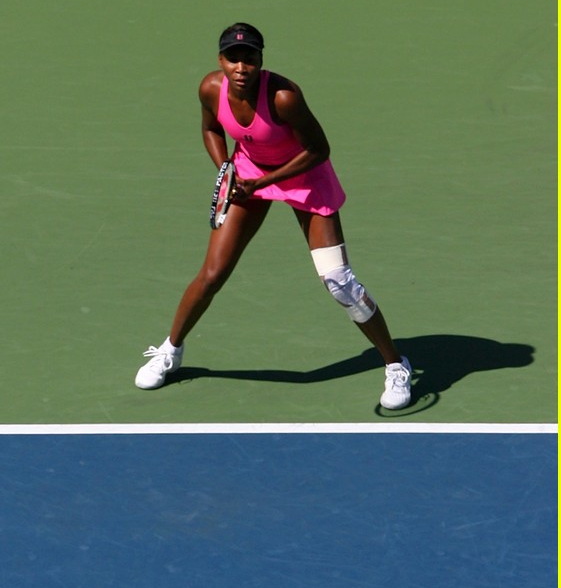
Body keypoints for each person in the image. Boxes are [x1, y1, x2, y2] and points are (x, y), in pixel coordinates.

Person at [134, 23, 414, 410]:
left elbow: (319, 149)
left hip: (306, 179)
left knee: (339, 282)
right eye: (233, 58)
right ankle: (171, 350)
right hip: (248, 175)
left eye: (250, 57)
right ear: (221, 60)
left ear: (261, 60)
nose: (241, 66)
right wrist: (226, 171)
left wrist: (265, 181)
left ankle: (396, 363)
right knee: (213, 273)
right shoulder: (210, 89)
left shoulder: (284, 97)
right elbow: (212, 129)